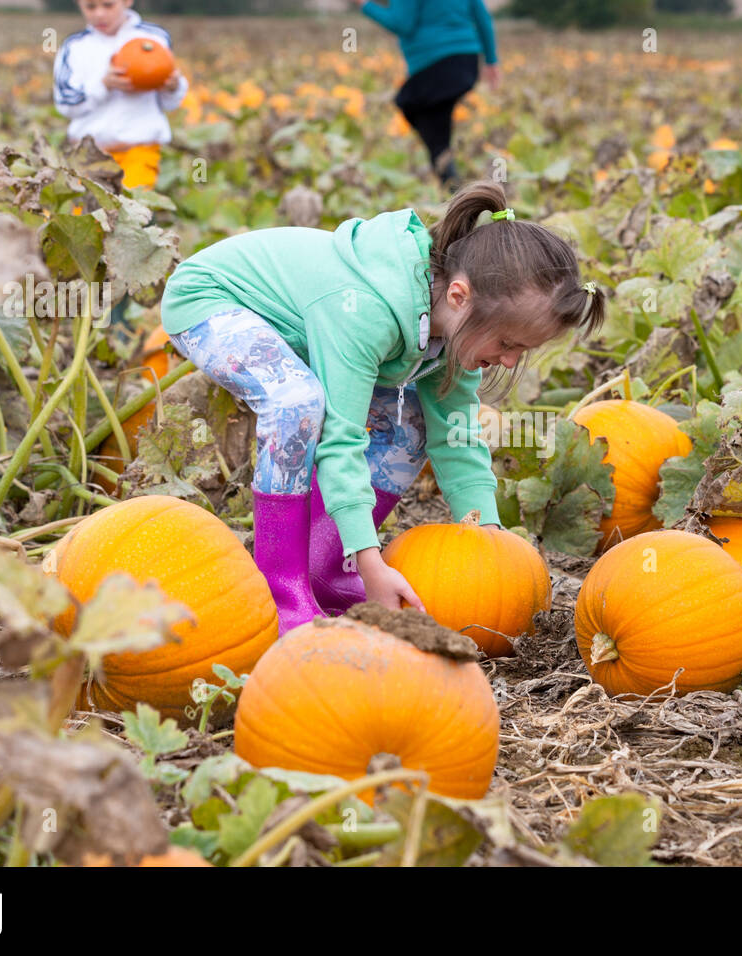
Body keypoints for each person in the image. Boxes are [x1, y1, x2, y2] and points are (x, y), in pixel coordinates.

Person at [159, 181, 605, 634]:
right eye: (507, 343)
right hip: (211, 301)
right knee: (297, 403)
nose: (509, 360)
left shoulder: (459, 327)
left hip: (295, 328)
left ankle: (325, 568)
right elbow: (341, 438)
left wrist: (485, 532)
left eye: (521, 351)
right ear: (458, 296)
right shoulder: (367, 310)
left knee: (409, 423)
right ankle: (280, 591)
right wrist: (374, 563)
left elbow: (455, 432)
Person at [352, 0, 501, 193]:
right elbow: (482, 18)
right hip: (467, 63)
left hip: (435, 63)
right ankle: (452, 182)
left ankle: (455, 188)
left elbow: (402, 24)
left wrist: (365, 5)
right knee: (435, 123)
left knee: (409, 103)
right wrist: (491, 61)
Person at [52, 0, 188, 191]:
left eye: (108, 5)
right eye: (90, 7)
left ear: (127, 2)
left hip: (139, 149)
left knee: (130, 211)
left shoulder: (155, 38)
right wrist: (103, 86)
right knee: (83, 214)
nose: (99, 14)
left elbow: (170, 103)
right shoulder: (74, 46)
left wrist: (173, 86)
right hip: (89, 154)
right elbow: (65, 103)